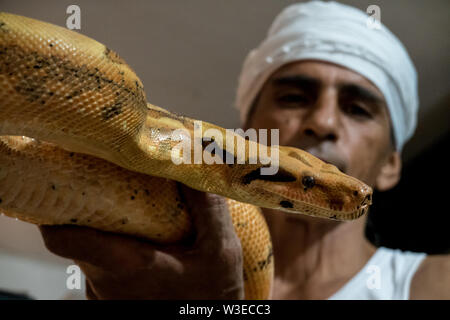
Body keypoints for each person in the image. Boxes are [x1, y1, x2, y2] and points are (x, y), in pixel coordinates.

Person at [39, 1, 450, 299]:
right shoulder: (120, 278)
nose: (322, 122)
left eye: (358, 109)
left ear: (392, 163)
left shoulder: (436, 283)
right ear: (248, 134)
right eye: (293, 98)